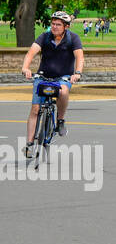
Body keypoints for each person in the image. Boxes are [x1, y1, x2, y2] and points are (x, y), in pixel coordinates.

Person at [20, 10, 83, 155]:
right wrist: (25, 68)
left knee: (64, 91)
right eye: (53, 24)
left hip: (63, 78)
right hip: (43, 77)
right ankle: (29, 144)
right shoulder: (44, 37)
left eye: (58, 24)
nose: (54, 27)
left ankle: (60, 120)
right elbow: (31, 53)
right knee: (35, 109)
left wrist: (77, 73)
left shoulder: (73, 39)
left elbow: (80, 58)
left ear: (66, 26)